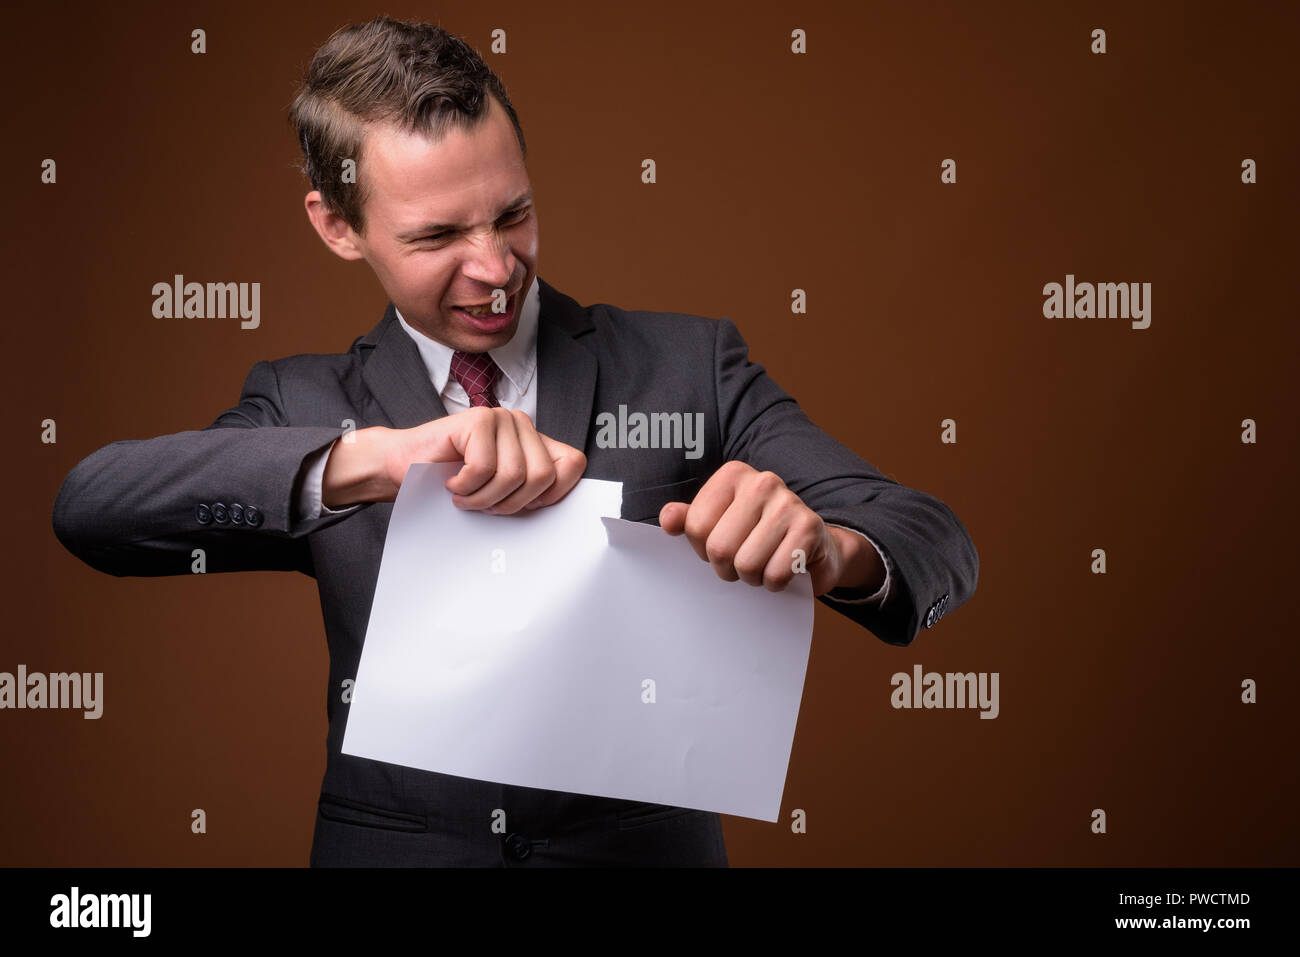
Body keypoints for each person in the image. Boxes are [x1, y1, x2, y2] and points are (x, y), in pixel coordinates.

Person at [51, 16, 978, 866]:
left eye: (512, 214)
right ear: (339, 225)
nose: (495, 270)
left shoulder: (687, 365)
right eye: (438, 234)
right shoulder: (304, 397)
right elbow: (95, 506)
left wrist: (834, 550)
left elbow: (933, 539)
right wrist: (373, 460)